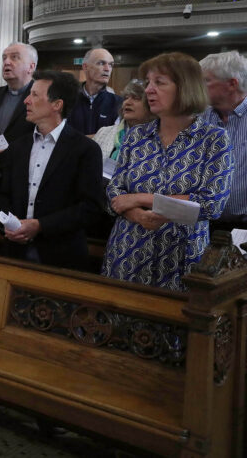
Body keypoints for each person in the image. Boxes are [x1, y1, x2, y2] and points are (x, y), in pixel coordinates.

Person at [102, 52, 233, 291]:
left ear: (185, 88)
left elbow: (211, 204)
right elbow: (115, 191)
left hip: (182, 257)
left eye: (159, 82)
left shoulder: (213, 139)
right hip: (129, 251)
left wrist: (142, 198)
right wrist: (138, 215)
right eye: (148, 83)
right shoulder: (137, 135)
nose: (149, 90)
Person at [0, 71, 108, 269]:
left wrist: (40, 225)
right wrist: (7, 224)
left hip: (61, 255)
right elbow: (3, 193)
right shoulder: (18, 146)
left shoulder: (85, 149)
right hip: (15, 251)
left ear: (57, 105)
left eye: (35, 95)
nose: (26, 101)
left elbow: (90, 207)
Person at [201, 51, 247, 223]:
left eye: (206, 81)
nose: (199, 87)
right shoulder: (201, 119)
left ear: (232, 84)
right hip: (206, 223)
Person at [0, 42, 38, 151]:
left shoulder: (42, 99)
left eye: (14, 57)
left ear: (31, 67)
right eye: (4, 58)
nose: (6, 62)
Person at [93, 80, 152, 163]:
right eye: (126, 98)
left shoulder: (158, 139)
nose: (127, 102)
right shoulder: (103, 132)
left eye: (136, 98)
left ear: (150, 105)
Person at [69, 47, 119, 135]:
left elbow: (116, 138)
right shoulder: (68, 99)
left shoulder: (118, 103)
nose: (107, 69)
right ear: (85, 67)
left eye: (111, 65)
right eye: (101, 63)